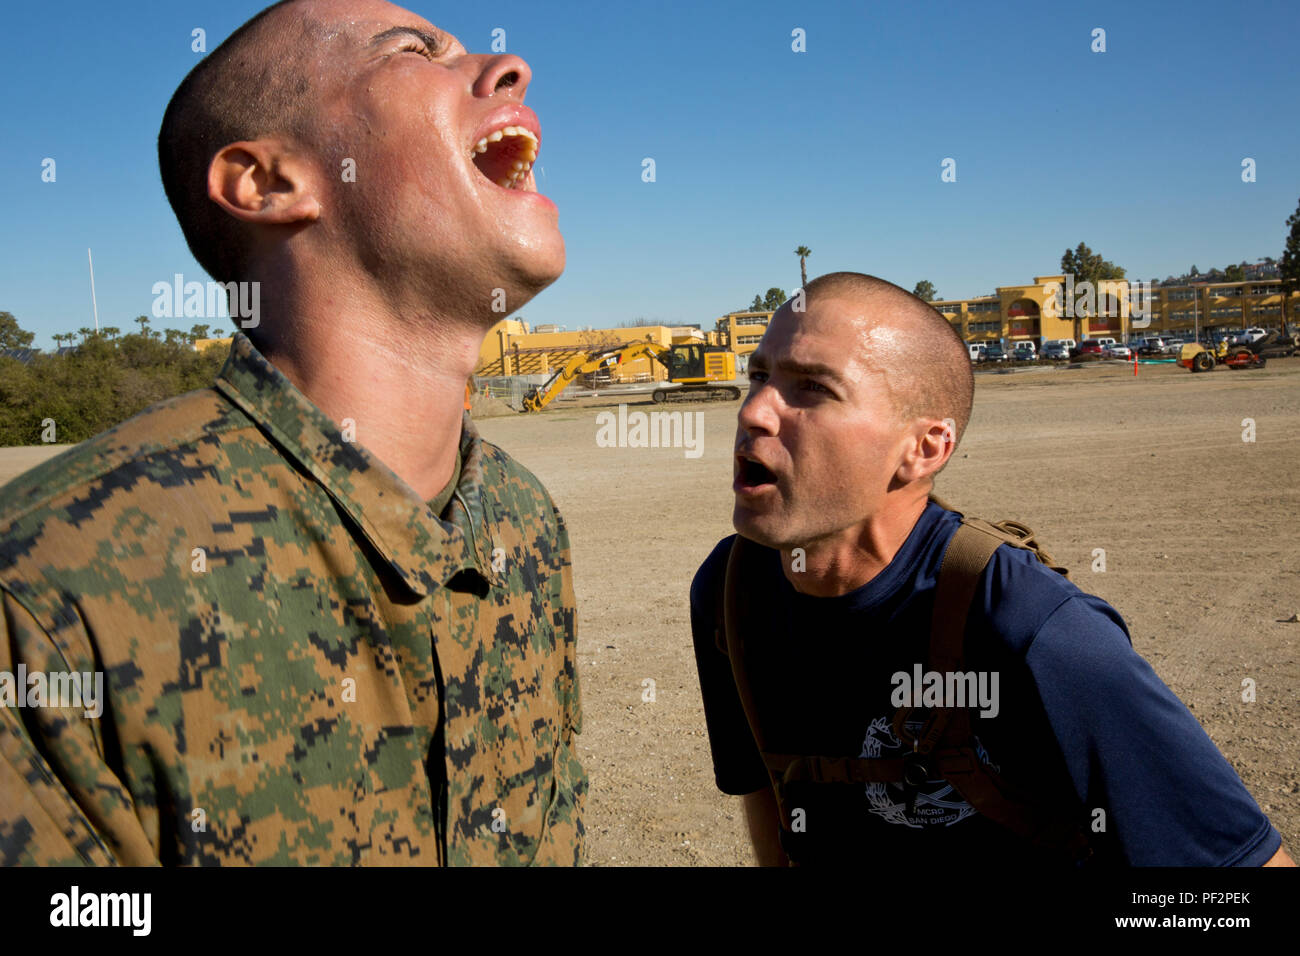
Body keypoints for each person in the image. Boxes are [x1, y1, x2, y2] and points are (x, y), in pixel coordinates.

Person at [0, 0, 584, 866]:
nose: (508, 68)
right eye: (415, 50)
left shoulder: (522, 522)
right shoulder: (49, 592)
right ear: (267, 183)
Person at [690, 271, 1294, 867]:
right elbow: (768, 794)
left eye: (813, 389)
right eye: (760, 377)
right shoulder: (730, 590)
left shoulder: (1034, 627)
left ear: (924, 448)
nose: (756, 413)